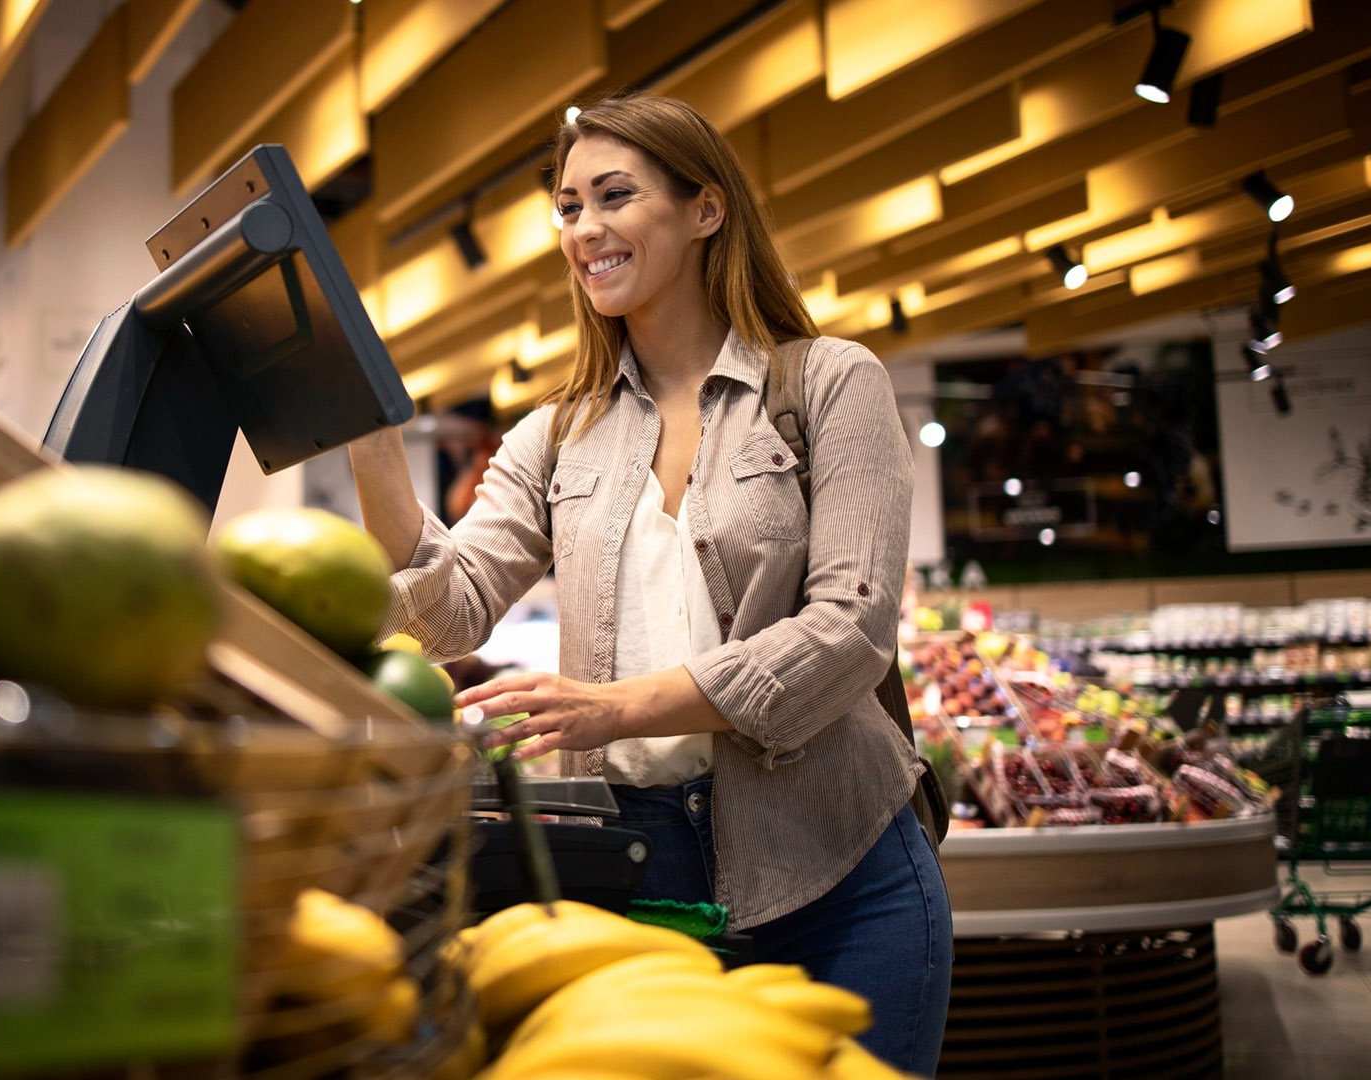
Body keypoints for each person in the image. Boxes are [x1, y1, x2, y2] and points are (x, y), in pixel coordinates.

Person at [347, 94, 951, 1075]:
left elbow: (850, 629)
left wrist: (616, 709)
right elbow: (448, 609)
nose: (584, 229)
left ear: (706, 209)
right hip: (632, 873)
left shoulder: (828, 385)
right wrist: (371, 443)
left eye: (614, 197)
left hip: (839, 872)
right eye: (568, 206)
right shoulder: (559, 433)